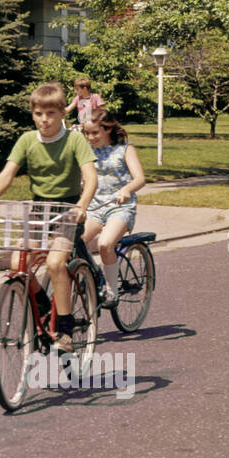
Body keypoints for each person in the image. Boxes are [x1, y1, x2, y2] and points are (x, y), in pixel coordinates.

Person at [0, 82, 97, 353]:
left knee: (56, 263)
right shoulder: (27, 140)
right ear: (32, 114)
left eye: (51, 114)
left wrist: (82, 204)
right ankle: (43, 307)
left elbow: (91, 177)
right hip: (39, 208)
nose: (44, 120)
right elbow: (8, 173)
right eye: (38, 114)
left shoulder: (74, 140)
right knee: (18, 262)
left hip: (68, 210)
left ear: (61, 113)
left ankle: (65, 329)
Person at [80, 107, 146, 308]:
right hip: (94, 207)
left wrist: (127, 189)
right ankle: (95, 274)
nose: (90, 137)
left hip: (120, 207)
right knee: (75, 243)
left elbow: (140, 179)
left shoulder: (125, 148)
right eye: (86, 133)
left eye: (94, 133)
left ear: (107, 129)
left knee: (105, 244)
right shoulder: (86, 151)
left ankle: (112, 291)